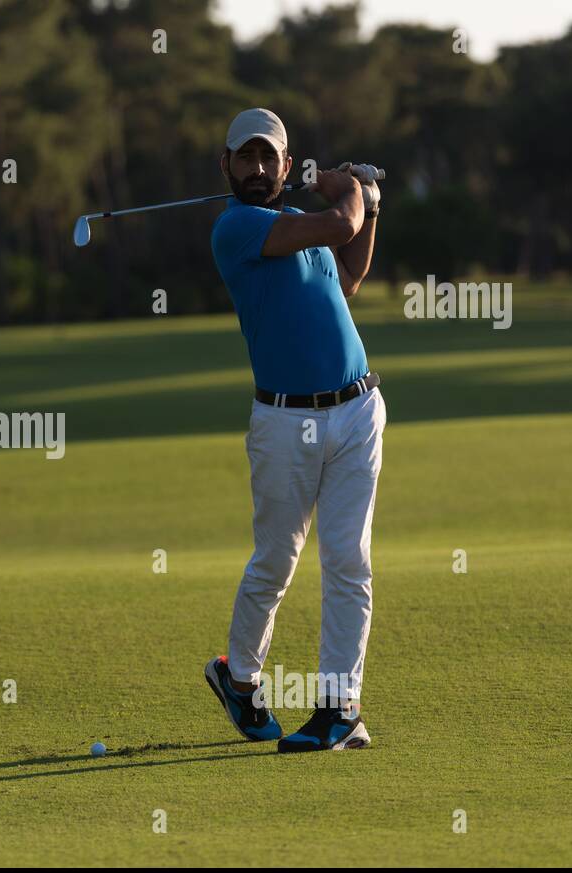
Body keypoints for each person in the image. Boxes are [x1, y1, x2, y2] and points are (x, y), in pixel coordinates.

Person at [203, 107, 384, 753]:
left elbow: (352, 272)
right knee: (275, 562)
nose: (255, 168)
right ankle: (241, 678)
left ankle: (340, 708)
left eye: (267, 157)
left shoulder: (294, 228)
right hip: (286, 420)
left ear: (285, 165)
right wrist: (353, 191)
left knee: (348, 559)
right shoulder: (239, 228)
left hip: (359, 408)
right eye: (243, 157)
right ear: (225, 165)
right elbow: (339, 221)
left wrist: (372, 208)